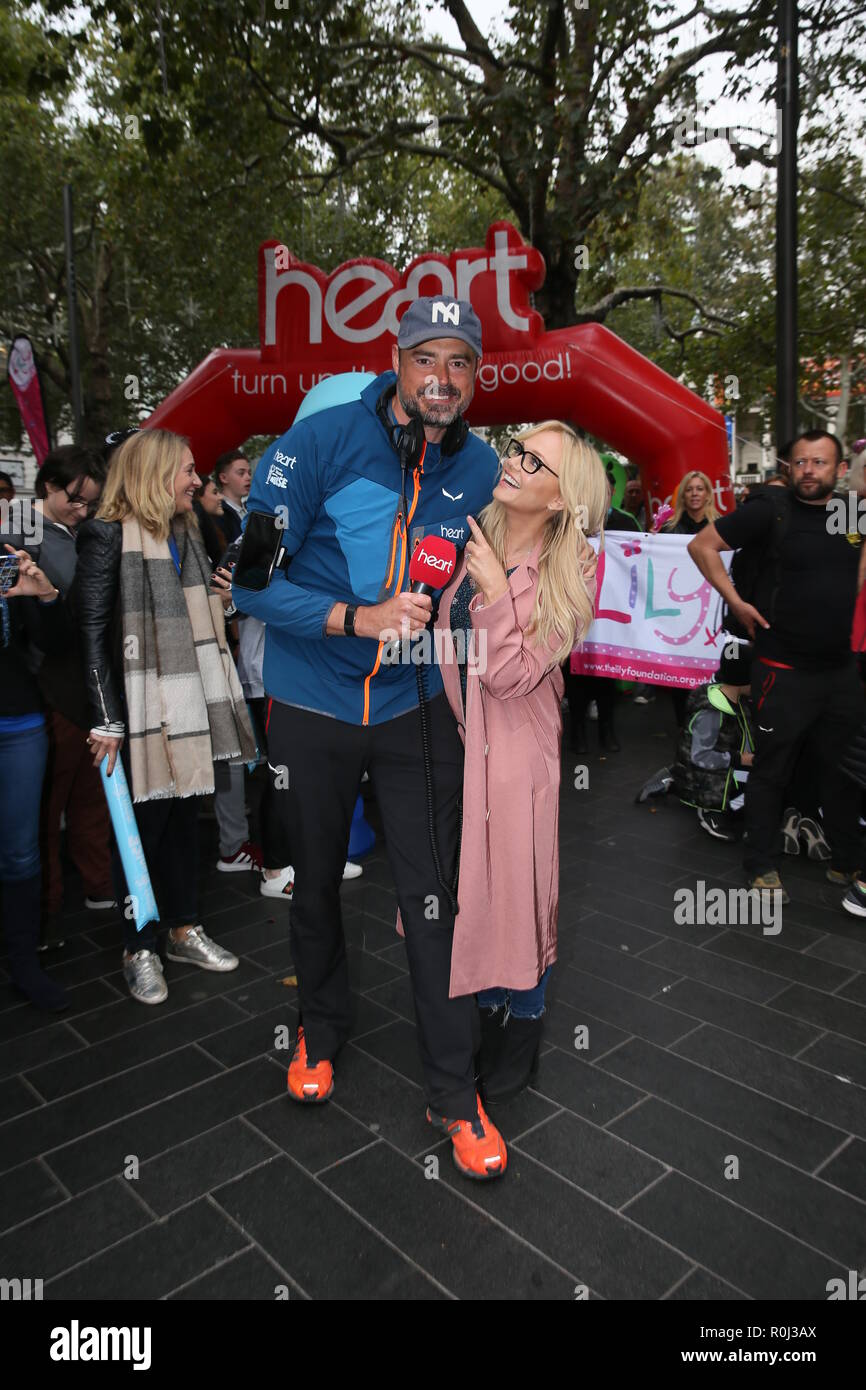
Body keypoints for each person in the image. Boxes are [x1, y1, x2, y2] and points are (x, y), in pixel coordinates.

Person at [233, 296, 509, 1180]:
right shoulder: (311, 447)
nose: (443, 378)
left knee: (436, 895)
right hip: (312, 703)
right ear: (396, 362)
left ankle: (454, 1088)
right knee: (314, 881)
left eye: (460, 362)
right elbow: (250, 588)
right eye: (427, 358)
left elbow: (484, 570)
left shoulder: (480, 468)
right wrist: (359, 617)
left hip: (414, 707)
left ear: (475, 376)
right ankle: (320, 1029)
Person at [435, 423, 606, 1102]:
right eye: (517, 448)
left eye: (536, 462)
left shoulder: (576, 574)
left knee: (517, 896)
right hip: (457, 744)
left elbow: (508, 676)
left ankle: (523, 1026)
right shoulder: (476, 531)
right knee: (468, 894)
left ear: (562, 499)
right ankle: (481, 1011)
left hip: (513, 757)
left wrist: (493, 594)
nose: (514, 462)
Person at [73, 429, 256, 1004]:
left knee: (181, 827)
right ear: (154, 475)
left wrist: (223, 598)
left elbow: (192, 613)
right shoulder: (104, 535)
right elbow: (94, 633)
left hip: (187, 705)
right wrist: (107, 720)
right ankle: (139, 945)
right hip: (135, 717)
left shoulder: (186, 529)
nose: (197, 480)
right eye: (187, 470)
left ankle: (182, 928)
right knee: (141, 836)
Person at [688, 430, 865, 900]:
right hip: (782, 670)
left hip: (841, 671)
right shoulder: (772, 510)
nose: (809, 470)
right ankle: (760, 863)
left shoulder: (852, 514)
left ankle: (848, 862)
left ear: (839, 469)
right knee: (772, 769)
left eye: (820, 462)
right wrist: (737, 602)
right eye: (801, 462)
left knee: (843, 771)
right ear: (790, 468)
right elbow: (702, 546)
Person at [27, 446, 115, 943]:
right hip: (49, 692)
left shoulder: (85, 533)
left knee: (92, 798)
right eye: (75, 500)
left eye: (90, 503)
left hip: (90, 689)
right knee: (46, 806)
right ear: (48, 487)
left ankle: (99, 885)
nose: (83, 510)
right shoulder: (21, 537)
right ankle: (46, 906)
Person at [0, 543, 69, 1010]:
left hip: (19, 718)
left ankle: (24, 963)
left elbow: (54, 645)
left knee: (22, 854)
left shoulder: (9, 559)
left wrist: (43, 596)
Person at [565, 471, 638, 753]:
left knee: (607, 678)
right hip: (578, 613)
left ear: (612, 492)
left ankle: (607, 731)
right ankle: (577, 733)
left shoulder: (624, 521)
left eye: (606, 490)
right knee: (577, 679)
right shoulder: (572, 521)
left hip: (612, 613)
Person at [671, 643, 754, 842]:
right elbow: (700, 756)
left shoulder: (737, 698)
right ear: (744, 678)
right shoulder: (712, 711)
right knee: (739, 815)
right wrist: (739, 759)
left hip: (731, 768)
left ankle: (676, 777)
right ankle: (708, 810)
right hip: (709, 775)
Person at [213, 450, 252, 544]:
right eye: (241, 473)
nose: (248, 477)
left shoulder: (250, 508)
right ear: (223, 478)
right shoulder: (218, 513)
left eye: (249, 473)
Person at [663, 470, 720, 534]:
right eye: (689, 490)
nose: (694, 493)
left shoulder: (721, 526)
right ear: (683, 496)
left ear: (708, 495)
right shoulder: (668, 529)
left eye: (700, 489)